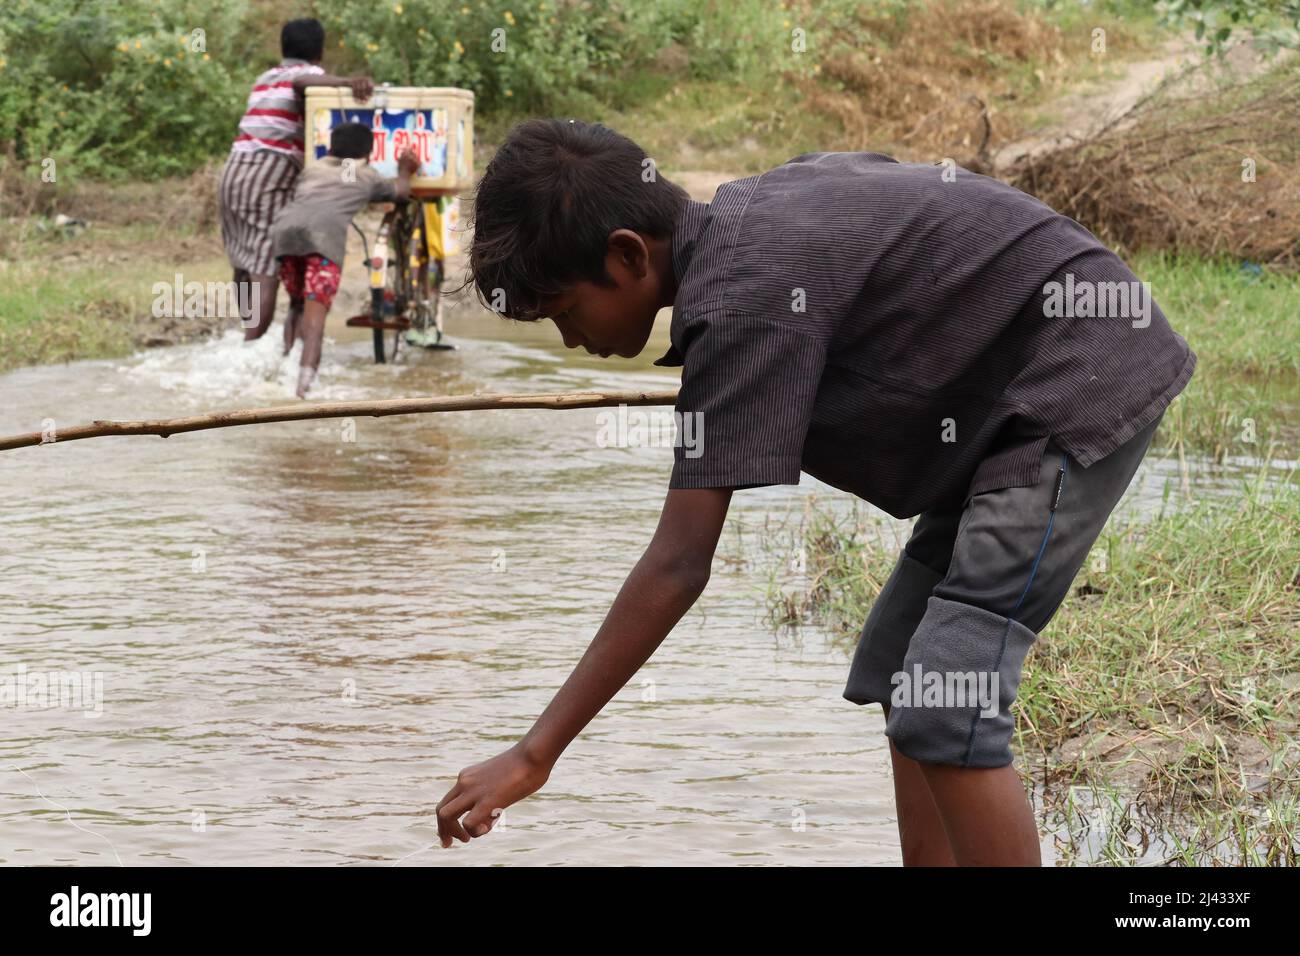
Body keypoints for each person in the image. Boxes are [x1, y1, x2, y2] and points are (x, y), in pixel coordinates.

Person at [436, 119, 1196, 865]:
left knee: (944, 697)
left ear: (629, 255)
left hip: (1074, 381)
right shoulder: (753, 216)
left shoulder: (738, 304)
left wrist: (534, 754)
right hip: (1001, 411)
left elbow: (678, 564)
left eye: (567, 312)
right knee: (900, 667)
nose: (572, 339)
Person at [217, 17, 375, 342]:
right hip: (267, 172)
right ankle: (251, 343)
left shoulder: (266, 77)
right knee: (263, 259)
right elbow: (303, 83)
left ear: (283, 47)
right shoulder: (311, 75)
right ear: (319, 52)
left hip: (233, 171)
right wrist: (348, 82)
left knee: (242, 257)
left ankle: (246, 330)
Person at [270, 123, 419, 397]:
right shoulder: (364, 174)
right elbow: (400, 191)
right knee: (315, 320)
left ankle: (284, 372)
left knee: (296, 306)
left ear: (329, 148)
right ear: (369, 152)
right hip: (322, 241)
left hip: (284, 236)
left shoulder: (313, 169)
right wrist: (404, 171)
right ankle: (302, 392)